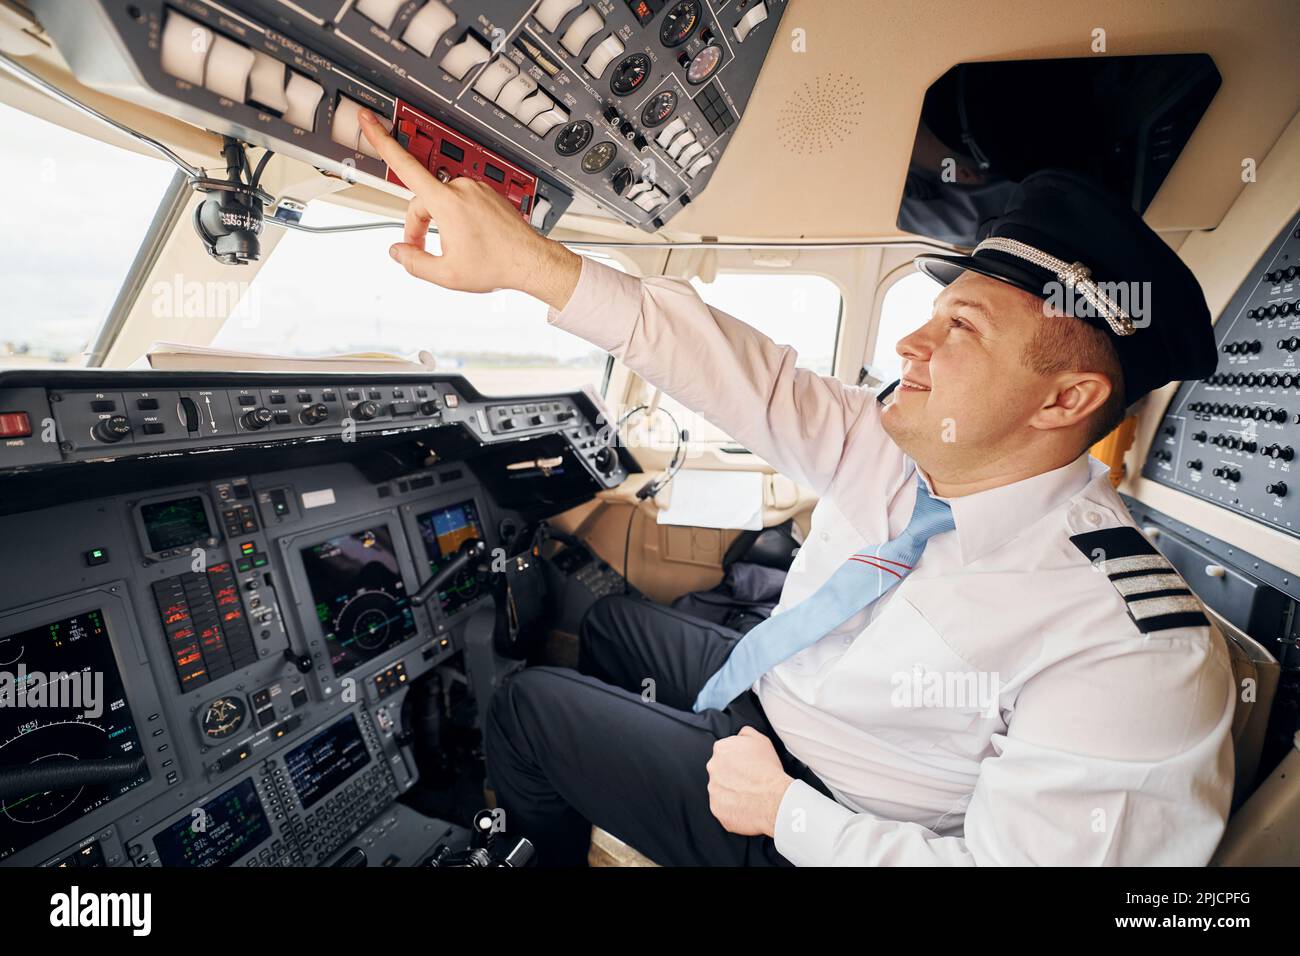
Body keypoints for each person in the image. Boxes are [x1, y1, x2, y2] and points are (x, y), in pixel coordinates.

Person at [357, 110, 1235, 866]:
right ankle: (622, 784)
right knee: (616, 621)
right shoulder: (898, 451)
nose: (910, 348)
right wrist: (531, 265)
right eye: (929, 316)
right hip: (780, 697)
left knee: (526, 708)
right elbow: (745, 373)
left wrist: (789, 814)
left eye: (960, 327)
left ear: (1066, 399)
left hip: (827, 821)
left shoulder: (1132, 648)